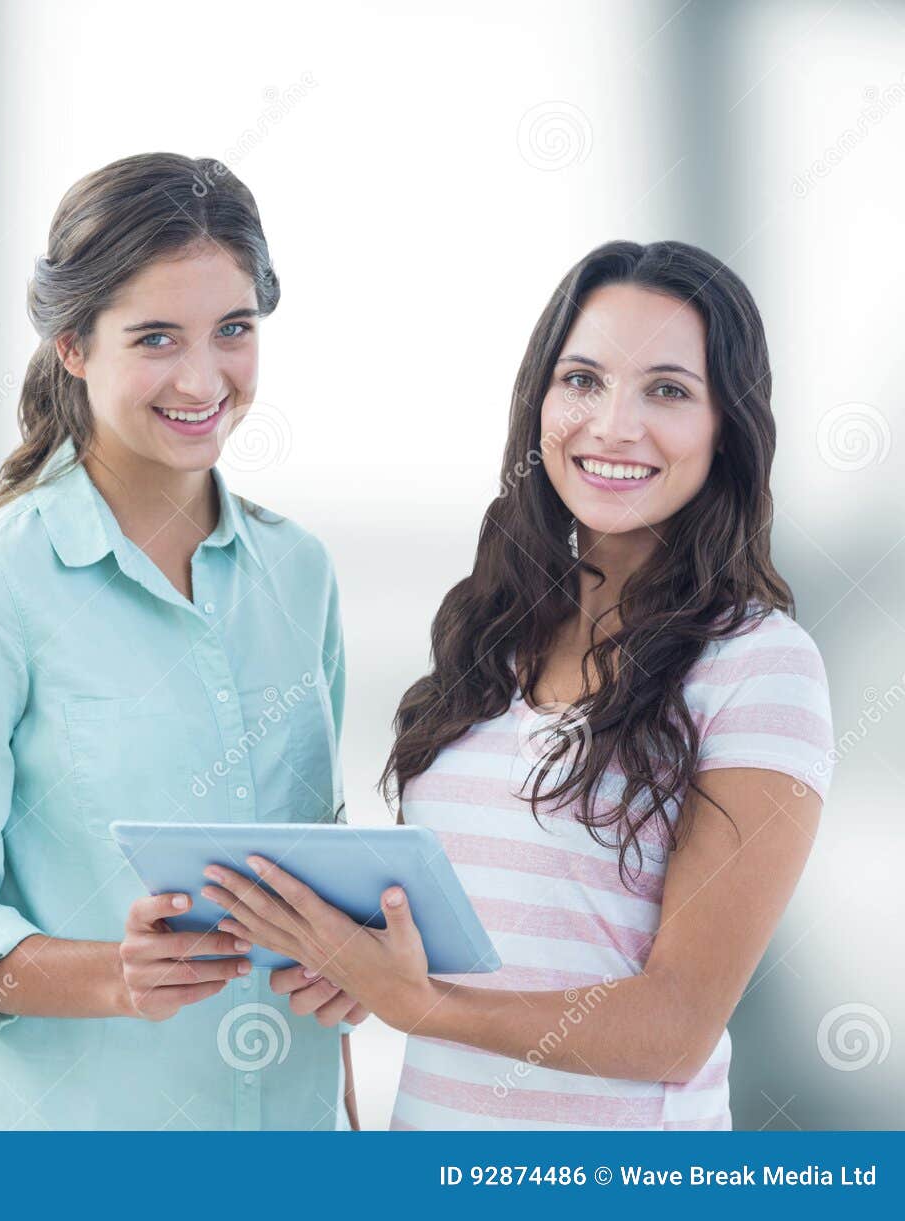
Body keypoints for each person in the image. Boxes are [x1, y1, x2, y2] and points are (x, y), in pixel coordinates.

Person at [206, 240, 835, 1130]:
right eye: (583, 380)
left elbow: (677, 1024)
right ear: (540, 400)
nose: (614, 425)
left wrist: (420, 1003)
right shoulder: (492, 637)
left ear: (725, 426)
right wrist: (357, 963)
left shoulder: (760, 666)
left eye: (667, 390)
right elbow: (482, 937)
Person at [0, 152, 360, 1130]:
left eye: (233, 329)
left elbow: (317, 867)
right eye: (155, 338)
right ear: (72, 345)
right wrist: (115, 975)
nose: (202, 377)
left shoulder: (298, 573)